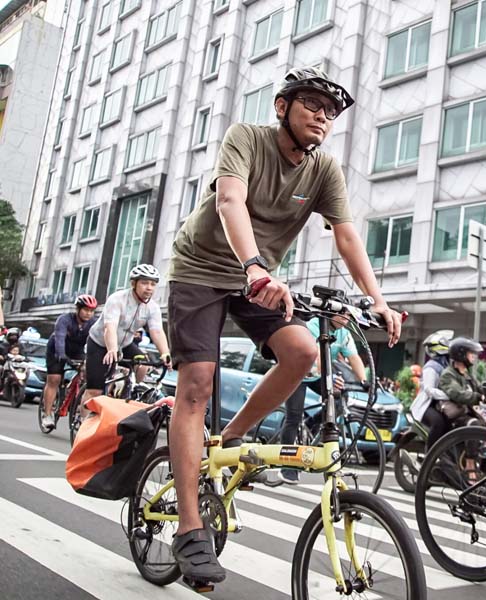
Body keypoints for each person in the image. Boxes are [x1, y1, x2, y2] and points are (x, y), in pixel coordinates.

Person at [165, 66, 403, 585]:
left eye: (330, 111)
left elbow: (346, 237)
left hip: (258, 277)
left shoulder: (324, 171)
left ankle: (227, 441)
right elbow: (230, 201)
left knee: (302, 354)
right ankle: (189, 530)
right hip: (203, 269)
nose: (322, 115)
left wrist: (379, 301)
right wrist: (253, 267)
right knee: (198, 382)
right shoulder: (246, 138)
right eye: (311, 104)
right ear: (282, 108)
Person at [279, 314, 366, 484]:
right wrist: (330, 378)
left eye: (348, 317)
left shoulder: (344, 334)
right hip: (297, 373)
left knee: (339, 404)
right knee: (294, 417)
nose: (345, 320)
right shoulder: (312, 327)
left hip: (317, 375)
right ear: (330, 314)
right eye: (342, 316)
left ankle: (312, 424)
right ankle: (286, 466)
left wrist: (365, 381)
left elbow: (354, 358)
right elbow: (317, 357)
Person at [82, 265, 171, 414]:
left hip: (125, 344)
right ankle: (83, 427)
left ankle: (130, 392)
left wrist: (165, 353)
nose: (149, 288)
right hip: (100, 344)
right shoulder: (117, 299)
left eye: (153, 284)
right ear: (134, 283)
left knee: (142, 365)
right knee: (95, 391)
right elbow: (109, 327)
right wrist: (111, 349)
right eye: (144, 283)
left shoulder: (153, 308)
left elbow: (156, 331)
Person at [40, 295, 98, 431]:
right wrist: (62, 355)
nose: (88, 313)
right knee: (54, 379)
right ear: (77, 309)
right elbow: (59, 339)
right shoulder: (64, 319)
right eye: (85, 310)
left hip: (77, 350)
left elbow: (95, 342)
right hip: (57, 349)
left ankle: (79, 407)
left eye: (91, 311)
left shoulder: (94, 323)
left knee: (89, 375)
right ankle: (47, 415)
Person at [410, 330, 452, 450]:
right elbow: (429, 390)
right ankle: (431, 453)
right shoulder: (431, 367)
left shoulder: (446, 365)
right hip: (426, 406)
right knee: (438, 423)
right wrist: (448, 395)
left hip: (440, 405)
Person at [437, 337, 485, 426]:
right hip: (456, 414)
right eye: (471, 353)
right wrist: (480, 397)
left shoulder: (466, 373)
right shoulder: (448, 375)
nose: (474, 356)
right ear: (460, 354)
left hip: (468, 411)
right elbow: (458, 394)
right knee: (475, 425)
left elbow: (479, 387)